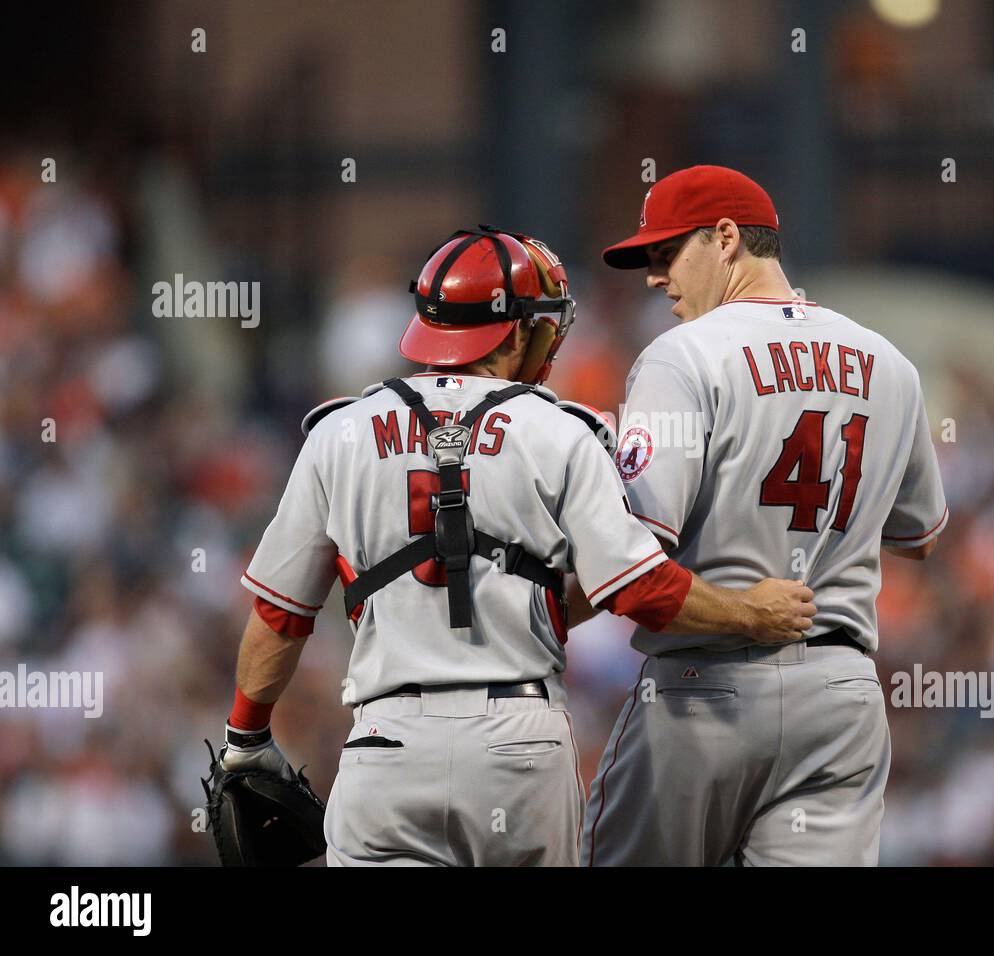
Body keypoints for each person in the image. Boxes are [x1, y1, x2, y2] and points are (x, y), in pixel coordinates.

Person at [217, 225, 816, 866]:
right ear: (515, 330)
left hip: (388, 745)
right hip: (520, 747)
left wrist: (246, 738)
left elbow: (280, 616)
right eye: (545, 322)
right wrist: (752, 613)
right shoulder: (560, 432)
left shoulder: (339, 434)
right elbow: (642, 590)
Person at [581, 167, 948, 866]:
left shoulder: (682, 356)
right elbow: (920, 534)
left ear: (725, 239)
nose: (655, 278)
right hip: (840, 697)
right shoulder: (889, 362)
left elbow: (640, 546)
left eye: (665, 255)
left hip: (704, 690)